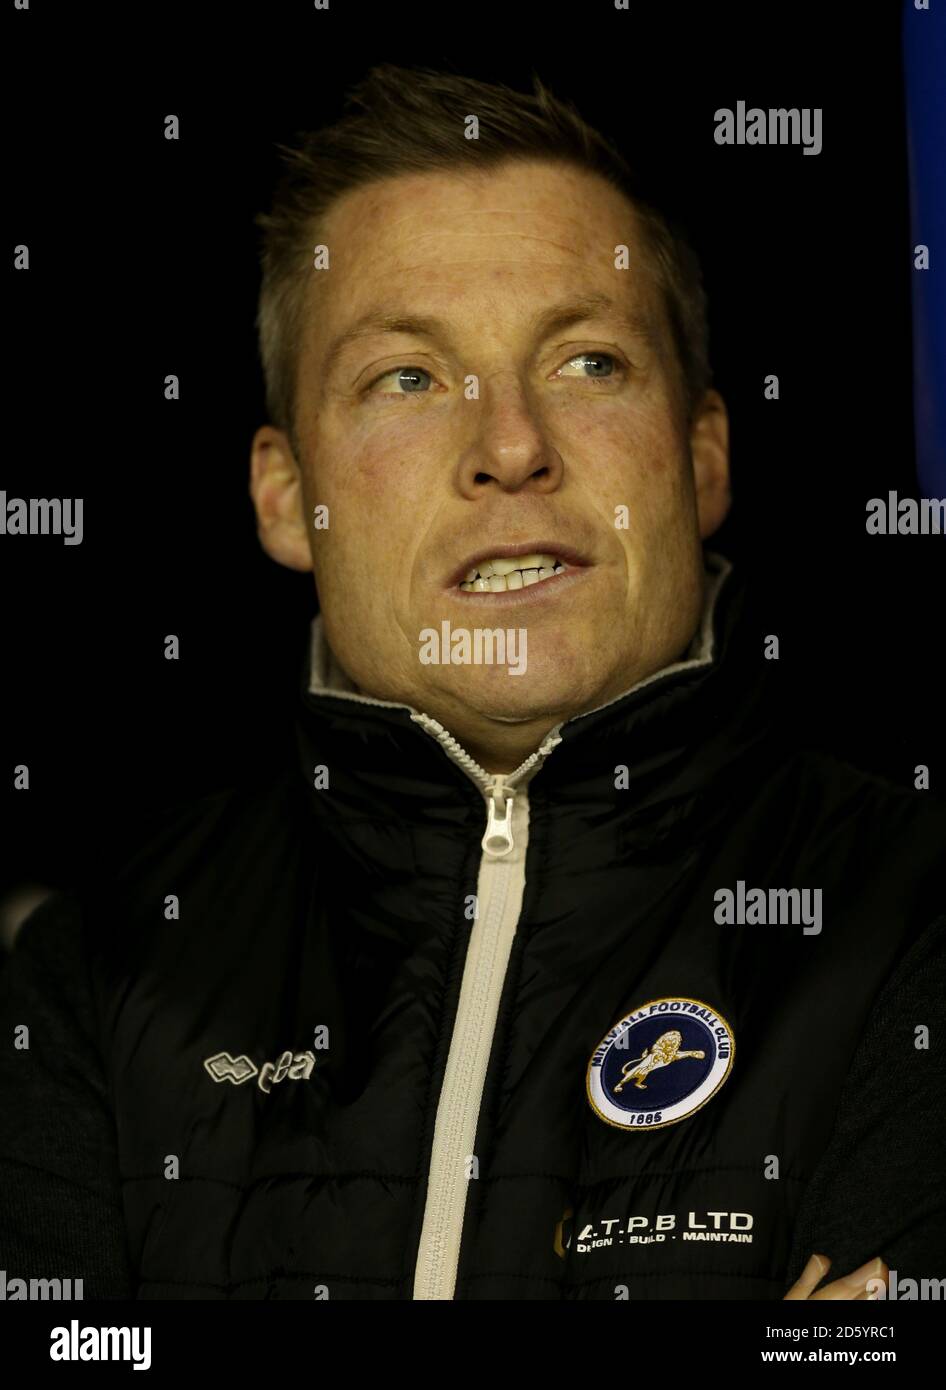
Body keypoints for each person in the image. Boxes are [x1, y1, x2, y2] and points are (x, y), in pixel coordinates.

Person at [1, 65, 942, 1302]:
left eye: (588, 363)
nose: (510, 448)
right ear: (286, 495)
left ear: (702, 455)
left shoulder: (919, 912)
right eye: (408, 378)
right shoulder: (92, 978)